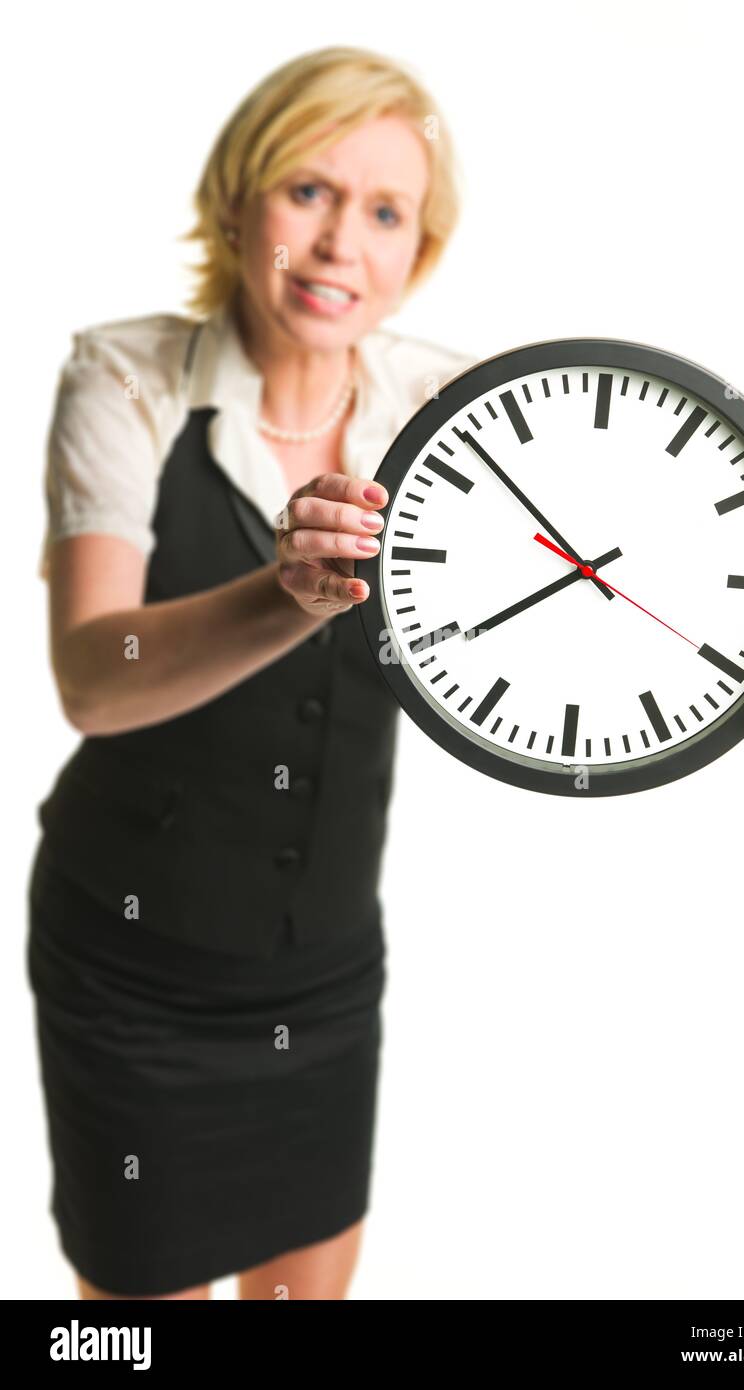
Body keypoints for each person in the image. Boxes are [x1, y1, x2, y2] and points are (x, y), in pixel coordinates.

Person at [26, 45, 477, 1300]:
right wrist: (286, 592)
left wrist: (731, 642)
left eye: (385, 212)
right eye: (307, 191)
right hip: (134, 972)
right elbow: (93, 675)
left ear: (417, 255)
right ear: (237, 202)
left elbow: (569, 594)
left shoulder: (438, 405)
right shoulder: (124, 379)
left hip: (323, 969)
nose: (340, 243)